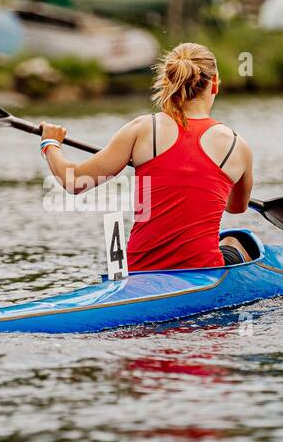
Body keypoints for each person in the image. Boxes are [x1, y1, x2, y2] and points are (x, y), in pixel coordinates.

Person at [38, 42, 254, 271]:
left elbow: (73, 181)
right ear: (214, 85)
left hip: (141, 269)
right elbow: (236, 207)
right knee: (238, 242)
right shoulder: (237, 146)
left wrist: (50, 143)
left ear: (165, 82)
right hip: (203, 269)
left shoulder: (142, 129)